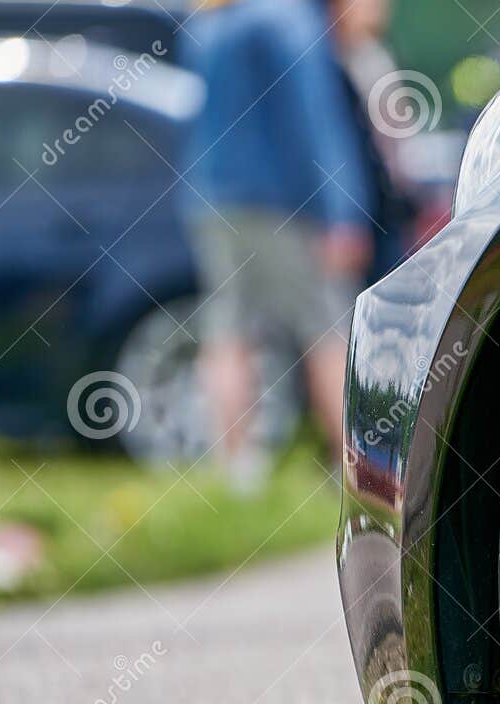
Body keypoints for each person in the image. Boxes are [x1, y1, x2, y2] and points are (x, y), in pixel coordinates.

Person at [182, 0, 374, 488]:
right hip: (281, 206)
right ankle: (360, 473)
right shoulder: (288, 20)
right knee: (328, 328)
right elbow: (315, 124)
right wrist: (342, 213)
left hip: (213, 202)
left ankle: (237, 474)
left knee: (228, 331)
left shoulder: (209, 20)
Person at [323, 0, 417, 284]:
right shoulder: (329, 60)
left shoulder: (371, 58)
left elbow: (397, 134)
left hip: (382, 201)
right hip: (354, 204)